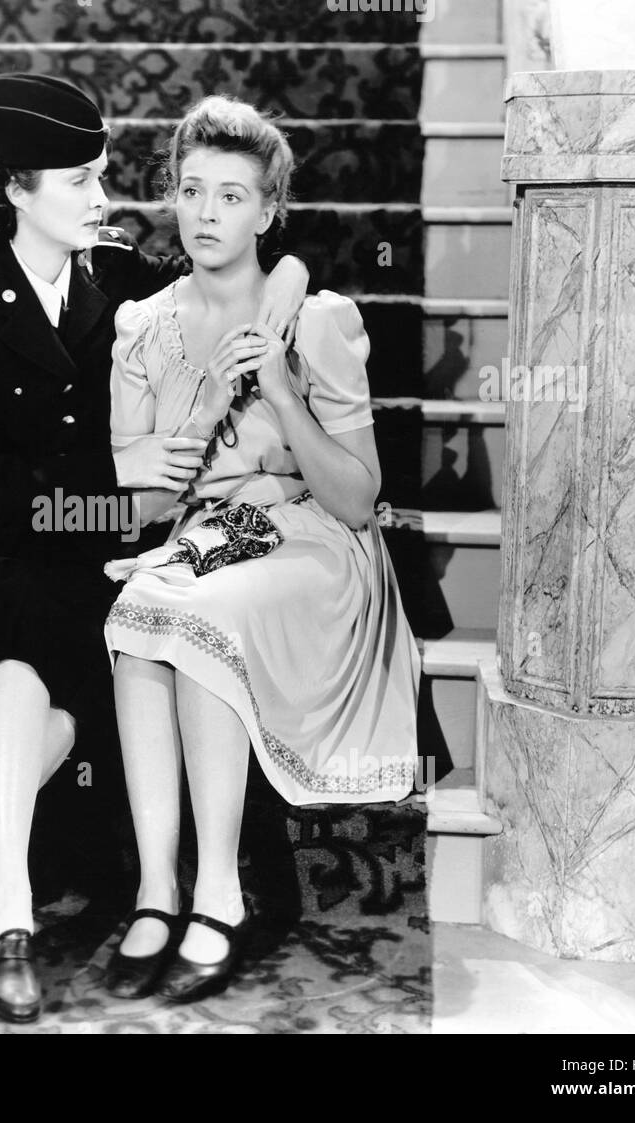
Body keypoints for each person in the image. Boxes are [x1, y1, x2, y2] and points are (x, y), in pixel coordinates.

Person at [0, 73, 311, 1023]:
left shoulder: (114, 277)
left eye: (103, 176)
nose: (104, 198)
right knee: (47, 635)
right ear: (19, 191)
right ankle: (4, 904)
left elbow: (251, 271)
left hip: (82, 564)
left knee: (41, 676)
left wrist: (288, 293)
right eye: (79, 180)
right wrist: (116, 483)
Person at [100, 95, 422, 1003]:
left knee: (196, 613)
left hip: (318, 548)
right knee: (141, 610)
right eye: (192, 190)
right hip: (211, 542)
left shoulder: (316, 319)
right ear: (170, 195)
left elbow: (359, 502)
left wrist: (280, 393)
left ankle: (218, 894)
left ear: (268, 211)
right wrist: (154, 470)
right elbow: (142, 503)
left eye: (232, 196)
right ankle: (156, 892)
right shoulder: (142, 329)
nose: (206, 213)